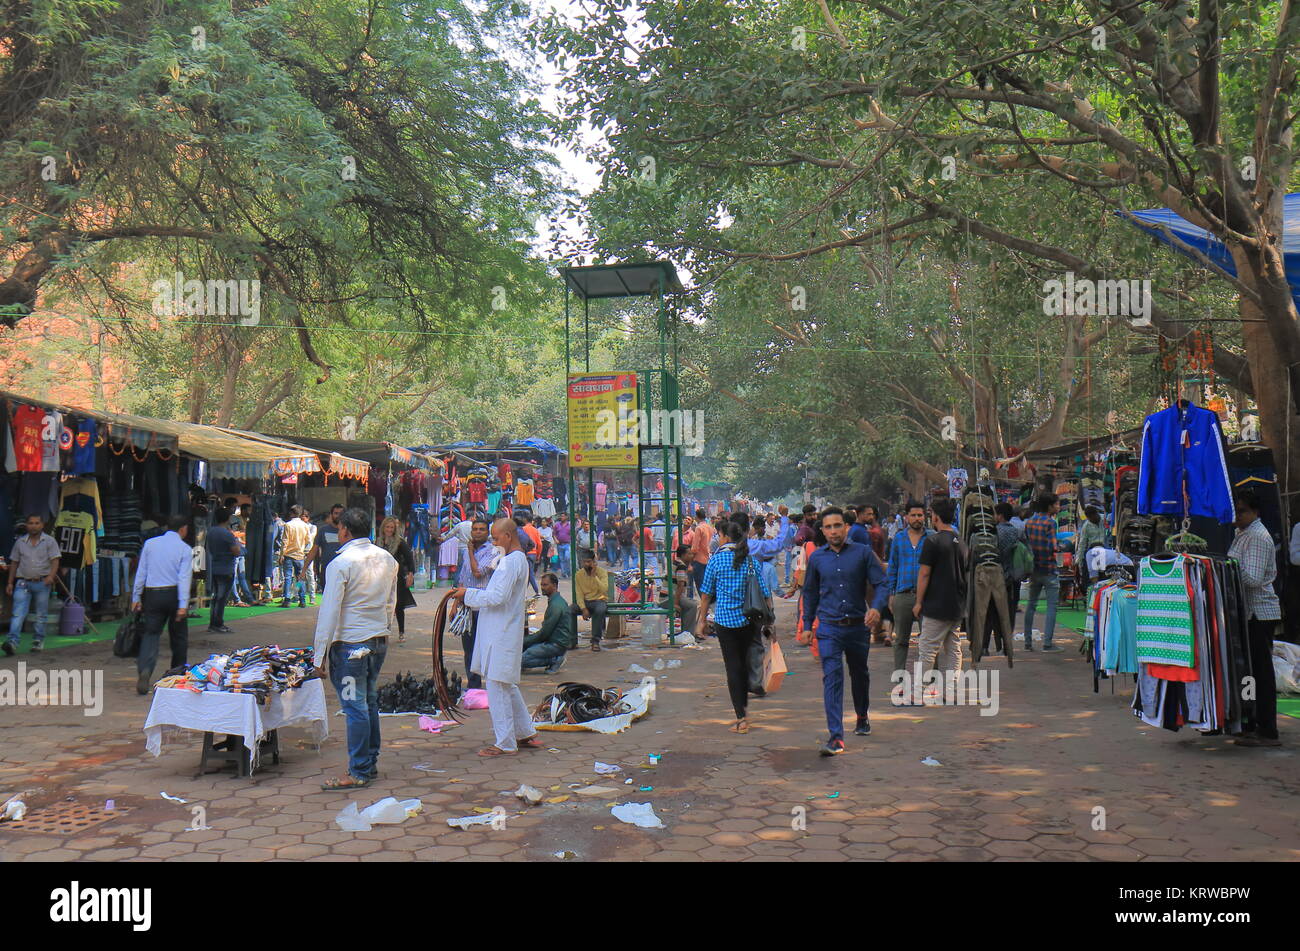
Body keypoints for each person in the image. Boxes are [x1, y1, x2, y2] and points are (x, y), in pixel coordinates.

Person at [315, 508, 399, 790]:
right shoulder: (386, 558)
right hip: (376, 643)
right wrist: (384, 630)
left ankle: (360, 770)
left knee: (355, 707)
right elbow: (391, 601)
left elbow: (328, 612)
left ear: (345, 531)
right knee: (368, 702)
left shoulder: (341, 563)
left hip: (351, 647)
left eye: (339, 529)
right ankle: (368, 762)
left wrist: (318, 656)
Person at [448, 518, 545, 757]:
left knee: (496, 684)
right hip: (501, 628)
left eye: (495, 537)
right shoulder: (516, 560)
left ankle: (505, 742)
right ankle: (525, 731)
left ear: (508, 537)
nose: (493, 541)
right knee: (505, 683)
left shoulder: (510, 562)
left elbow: (495, 597)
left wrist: (466, 594)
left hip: (501, 631)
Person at [803, 506, 888, 755]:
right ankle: (836, 736)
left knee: (859, 673)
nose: (833, 531)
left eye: (837, 525)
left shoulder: (863, 553)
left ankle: (862, 716)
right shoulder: (817, 558)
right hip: (829, 627)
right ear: (823, 531)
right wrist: (807, 626)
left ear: (846, 527)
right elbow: (809, 594)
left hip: (857, 626)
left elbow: (881, 583)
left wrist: (877, 608)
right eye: (828, 527)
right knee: (832, 677)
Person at [696, 518, 770, 735]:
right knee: (746, 663)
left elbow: (706, 594)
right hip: (749, 621)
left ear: (726, 537)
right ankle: (749, 692)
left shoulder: (716, 561)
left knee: (733, 668)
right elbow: (765, 595)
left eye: (719, 535)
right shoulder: (751, 561)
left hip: (725, 624)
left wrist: (701, 622)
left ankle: (741, 717)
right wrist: (769, 622)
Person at [1229, 489, 1282, 747]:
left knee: (1261, 673)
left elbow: (1253, 578)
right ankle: (1250, 722)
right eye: (1236, 511)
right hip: (1248, 614)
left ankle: (1268, 728)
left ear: (1255, 512)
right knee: (1248, 672)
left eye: (1242, 511)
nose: (1238, 516)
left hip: (1259, 614)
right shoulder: (1243, 534)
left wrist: (1225, 570)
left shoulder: (1258, 538)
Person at [130, 514, 194, 694]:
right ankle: (177, 675)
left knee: (151, 634)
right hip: (173, 594)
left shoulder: (150, 544)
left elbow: (141, 572)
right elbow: (184, 578)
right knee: (179, 637)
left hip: (153, 594)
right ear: (183, 529)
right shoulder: (184, 548)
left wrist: (136, 598)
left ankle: (145, 669)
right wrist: (183, 604)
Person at [913, 498, 966, 701]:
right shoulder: (961, 542)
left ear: (935, 516)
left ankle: (918, 691)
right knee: (953, 648)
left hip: (936, 604)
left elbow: (924, 574)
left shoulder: (932, 541)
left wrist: (919, 602)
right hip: (956, 604)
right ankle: (951, 691)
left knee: (927, 649)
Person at [4, 514, 61, 655]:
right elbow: (15, 563)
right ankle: (12, 642)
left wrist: (51, 577)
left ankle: (38, 640)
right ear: (26, 525)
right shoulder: (20, 542)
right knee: (18, 613)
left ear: (42, 525)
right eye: (31, 523)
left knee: (41, 614)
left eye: (37, 523)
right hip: (23, 582)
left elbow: (55, 560)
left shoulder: (49, 541)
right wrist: (10, 582)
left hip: (42, 582)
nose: (34, 526)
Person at [885, 500, 929, 676]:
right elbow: (893, 567)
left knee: (928, 642)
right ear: (906, 517)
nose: (917, 518)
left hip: (927, 596)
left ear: (924, 516)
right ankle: (899, 678)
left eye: (920, 515)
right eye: (913, 515)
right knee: (901, 641)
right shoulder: (899, 538)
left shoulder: (931, 537)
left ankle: (931, 680)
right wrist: (891, 594)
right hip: (903, 596)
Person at [455, 517, 496, 689]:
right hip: (467, 607)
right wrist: (455, 606)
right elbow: (463, 580)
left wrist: (471, 551)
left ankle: (491, 683)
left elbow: (478, 572)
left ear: (487, 533)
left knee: (484, 648)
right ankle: (473, 685)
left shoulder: (493, 551)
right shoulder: (465, 552)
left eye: (481, 529)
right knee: (468, 648)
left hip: (483, 607)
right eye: (475, 529)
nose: (478, 532)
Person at [1022, 493, 1063, 652]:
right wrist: (1062, 546)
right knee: (1052, 606)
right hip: (1049, 569)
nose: (1059, 507)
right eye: (1057, 504)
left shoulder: (1029, 521)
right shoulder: (1051, 523)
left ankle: (1027, 642)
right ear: (1050, 506)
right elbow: (1053, 547)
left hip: (1033, 569)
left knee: (1031, 605)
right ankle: (1047, 643)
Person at [521, 572, 573, 674]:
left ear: (554, 586)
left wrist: (525, 641)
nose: (542, 587)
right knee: (522, 650)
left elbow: (544, 633)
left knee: (520, 660)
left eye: (545, 585)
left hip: (556, 644)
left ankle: (554, 660)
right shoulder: (555, 601)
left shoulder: (556, 605)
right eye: (541, 585)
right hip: (554, 641)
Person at [378, 516, 417, 644]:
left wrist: (411, 574)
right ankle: (384, 631)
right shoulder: (377, 542)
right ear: (383, 528)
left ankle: (401, 632)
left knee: (398, 605)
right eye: (387, 527)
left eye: (391, 528)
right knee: (382, 605)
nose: (389, 530)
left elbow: (409, 558)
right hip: (381, 577)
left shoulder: (399, 542)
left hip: (396, 577)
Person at [204, 507, 241, 634]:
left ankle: (213, 623)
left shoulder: (211, 532)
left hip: (214, 567)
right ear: (227, 519)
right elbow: (236, 552)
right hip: (226, 568)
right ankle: (217, 623)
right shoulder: (227, 534)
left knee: (216, 597)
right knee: (221, 598)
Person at [572, 549, 610, 651]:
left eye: (588, 562)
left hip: (599, 600)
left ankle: (595, 641)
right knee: (569, 610)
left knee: (600, 610)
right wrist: (583, 608)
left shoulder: (601, 572)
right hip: (586, 602)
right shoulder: (578, 575)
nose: (586, 564)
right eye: (584, 562)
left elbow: (604, 590)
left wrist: (594, 577)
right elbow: (579, 594)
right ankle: (571, 641)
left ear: (594, 562)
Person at [994, 502, 1024, 631]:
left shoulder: (994, 532)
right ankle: (1008, 634)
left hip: (997, 575)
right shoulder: (1016, 531)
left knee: (995, 608)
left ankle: (997, 632)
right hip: (1014, 576)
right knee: (1011, 607)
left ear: (1000, 516)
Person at [660, 543, 699, 635]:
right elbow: (680, 586)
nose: (691, 556)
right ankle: (688, 633)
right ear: (682, 555)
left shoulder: (676, 562)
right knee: (693, 606)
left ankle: (686, 632)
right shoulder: (681, 566)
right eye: (689, 554)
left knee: (690, 604)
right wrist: (676, 604)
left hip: (666, 597)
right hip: (668, 598)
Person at [307, 504, 346, 596]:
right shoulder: (323, 530)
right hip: (327, 569)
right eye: (336, 513)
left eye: (341, 513)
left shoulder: (349, 531)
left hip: (344, 570)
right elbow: (314, 550)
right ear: (331, 514)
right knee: (327, 597)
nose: (338, 516)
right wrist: (305, 568)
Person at [279, 504, 313, 608]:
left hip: (289, 554)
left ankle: (287, 599)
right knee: (300, 578)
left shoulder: (288, 525)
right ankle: (302, 599)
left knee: (288, 577)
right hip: (300, 555)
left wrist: (281, 554)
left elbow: (284, 541)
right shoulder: (305, 526)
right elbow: (308, 540)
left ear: (291, 513)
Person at [688, 507, 715, 592]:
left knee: (699, 583)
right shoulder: (710, 527)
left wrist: (690, 558)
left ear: (696, 517)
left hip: (699, 560)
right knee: (707, 583)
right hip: (709, 559)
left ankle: (704, 603)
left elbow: (695, 548)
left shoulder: (699, 528)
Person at [554, 513, 572, 577]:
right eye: (561, 516)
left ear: (566, 517)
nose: (562, 517)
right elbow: (554, 534)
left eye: (563, 516)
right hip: (560, 544)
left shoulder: (570, 525)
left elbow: (573, 535)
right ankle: (564, 573)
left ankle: (568, 571)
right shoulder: (557, 525)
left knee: (567, 557)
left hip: (567, 544)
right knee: (562, 559)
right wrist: (556, 539)